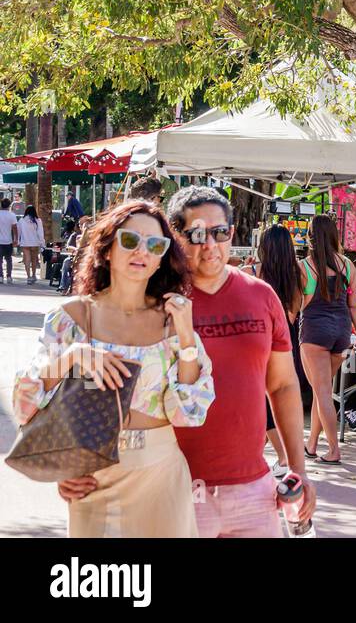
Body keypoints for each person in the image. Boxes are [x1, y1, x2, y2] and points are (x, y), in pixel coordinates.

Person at [12, 200, 214, 536]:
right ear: (107, 249)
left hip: (160, 474)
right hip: (94, 475)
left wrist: (186, 338)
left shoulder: (174, 320)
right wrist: (72, 356)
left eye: (155, 244)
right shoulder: (71, 318)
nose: (143, 252)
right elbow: (25, 403)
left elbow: (189, 414)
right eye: (131, 240)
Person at [167, 186, 315, 537]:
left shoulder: (261, 295)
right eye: (196, 234)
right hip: (179, 488)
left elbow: (282, 385)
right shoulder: (161, 303)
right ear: (176, 236)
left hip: (254, 490)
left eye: (219, 232)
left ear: (232, 233)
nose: (210, 244)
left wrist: (298, 468)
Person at [299, 215, 356, 464]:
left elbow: (301, 303)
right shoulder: (348, 265)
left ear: (311, 237)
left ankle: (334, 450)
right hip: (341, 332)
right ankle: (312, 444)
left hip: (315, 331)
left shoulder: (305, 266)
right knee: (322, 391)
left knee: (323, 392)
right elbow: (354, 304)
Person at [255, 224, 307, 477]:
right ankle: (275, 453)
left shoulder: (257, 273)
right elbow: (295, 311)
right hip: (288, 340)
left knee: (263, 401)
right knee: (281, 399)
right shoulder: (298, 274)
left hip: (263, 339)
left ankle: (283, 456)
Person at [17, 204, 45, 285]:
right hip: (35, 242)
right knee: (34, 260)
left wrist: (18, 241)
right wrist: (42, 243)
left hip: (25, 242)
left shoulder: (21, 221)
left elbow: (19, 232)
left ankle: (28, 277)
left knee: (27, 260)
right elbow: (40, 233)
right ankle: (33, 275)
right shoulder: (38, 220)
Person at [0, 197, 18, 283]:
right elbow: (15, 228)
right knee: (9, 260)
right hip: (8, 241)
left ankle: (0, 276)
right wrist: (16, 239)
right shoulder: (12, 215)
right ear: (9, 206)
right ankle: (9, 276)